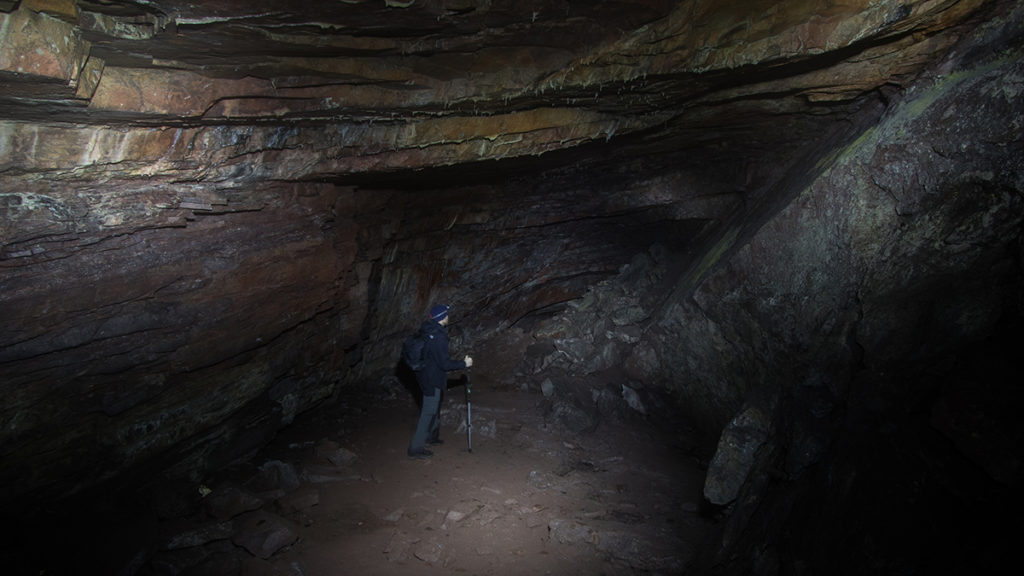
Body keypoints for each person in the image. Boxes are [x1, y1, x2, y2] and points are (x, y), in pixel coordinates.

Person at [408, 304, 473, 459]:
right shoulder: (438, 336)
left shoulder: (428, 329)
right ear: (443, 317)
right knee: (428, 412)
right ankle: (415, 449)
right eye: (447, 314)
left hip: (425, 375)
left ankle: (432, 436)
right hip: (432, 379)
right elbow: (445, 364)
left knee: (434, 407)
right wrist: (464, 364)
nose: (448, 316)